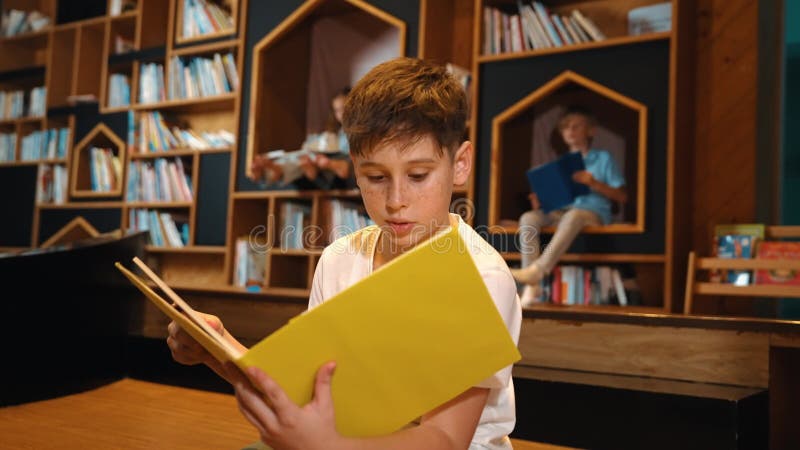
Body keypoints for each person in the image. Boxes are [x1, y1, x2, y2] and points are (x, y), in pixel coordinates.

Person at [167, 57, 522, 450]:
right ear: (355, 169)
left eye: (418, 176)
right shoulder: (339, 258)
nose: (396, 200)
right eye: (376, 177)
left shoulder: (481, 276)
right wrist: (218, 348)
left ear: (460, 165)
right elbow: (306, 391)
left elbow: (445, 439)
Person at [511, 106, 628, 306]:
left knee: (573, 216)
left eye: (576, 126)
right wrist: (542, 201)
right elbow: (558, 200)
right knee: (529, 217)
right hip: (562, 211)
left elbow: (622, 197)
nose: (570, 131)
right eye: (566, 128)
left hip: (592, 211)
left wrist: (594, 183)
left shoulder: (603, 159)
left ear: (590, 131)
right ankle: (532, 284)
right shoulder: (562, 164)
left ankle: (537, 272)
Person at [249, 87, 355, 190]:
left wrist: (328, 163)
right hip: (321, 171)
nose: (341, 114)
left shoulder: (357, 133)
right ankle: (271, 169)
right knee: (300, 160)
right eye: (337, 110)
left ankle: (270, 171)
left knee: (306, 164)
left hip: (338, 174)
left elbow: (349, 164)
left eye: (343, 108)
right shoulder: (336, 134)